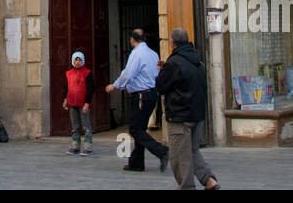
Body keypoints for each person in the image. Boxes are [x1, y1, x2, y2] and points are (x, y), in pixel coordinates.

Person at [156, 28, 219, 190]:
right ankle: (209, 180)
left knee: (179, 155)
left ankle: (187, 187)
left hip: (179, 115)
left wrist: (163, 71)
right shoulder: (198, 62)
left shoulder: (174, 62)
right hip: (198, 114)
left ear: (173, 43)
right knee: (192, 150)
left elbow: (161, 85)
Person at [105, 28, 169, 173]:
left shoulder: (136, 54)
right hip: (151, 94)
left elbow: (128, 74)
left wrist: (115, 85)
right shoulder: (153, 54)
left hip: (141, 95)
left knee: (135, 128)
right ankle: (136, 162)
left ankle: (161, 151)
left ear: (133, 40)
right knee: (139, 127)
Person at [62, 51, 94, 155]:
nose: (77, 62)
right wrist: (65, 100)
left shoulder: (87, 73)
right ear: (72, 60)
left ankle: (87, 146)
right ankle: (75, 145)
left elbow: (91, 89)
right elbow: (66, 88)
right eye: (76, 59)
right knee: (75, 126)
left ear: (83, 61)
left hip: (83, 103)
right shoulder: (68, 73)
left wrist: (87, 103)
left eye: (80, 60)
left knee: (86, 126)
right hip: (72, 102)